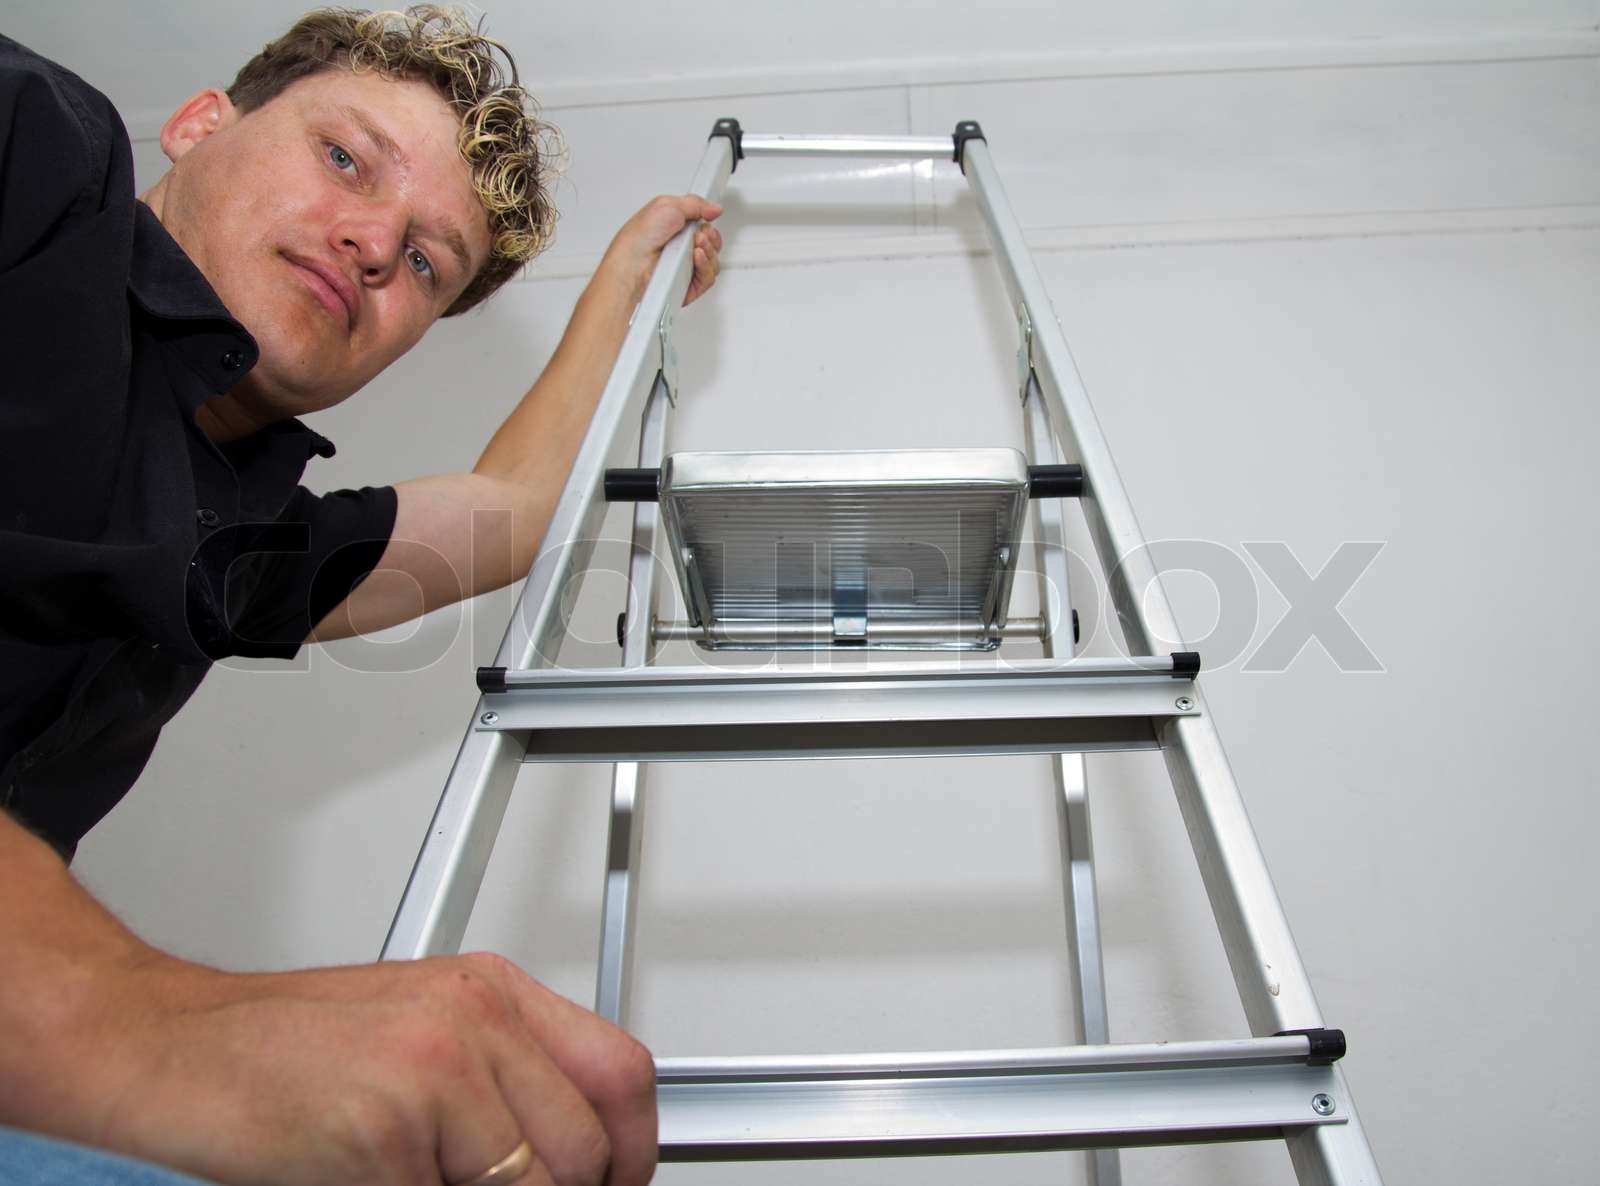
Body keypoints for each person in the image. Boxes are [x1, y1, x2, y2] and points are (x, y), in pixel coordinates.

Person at [0, 7, 724, 1185]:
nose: (376, 245)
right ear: (196, 125)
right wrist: (149, 1029)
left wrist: (628, 281)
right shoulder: (38, 154)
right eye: (344, 159)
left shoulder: (237, 552)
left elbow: (506, 509)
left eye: (427, 261)